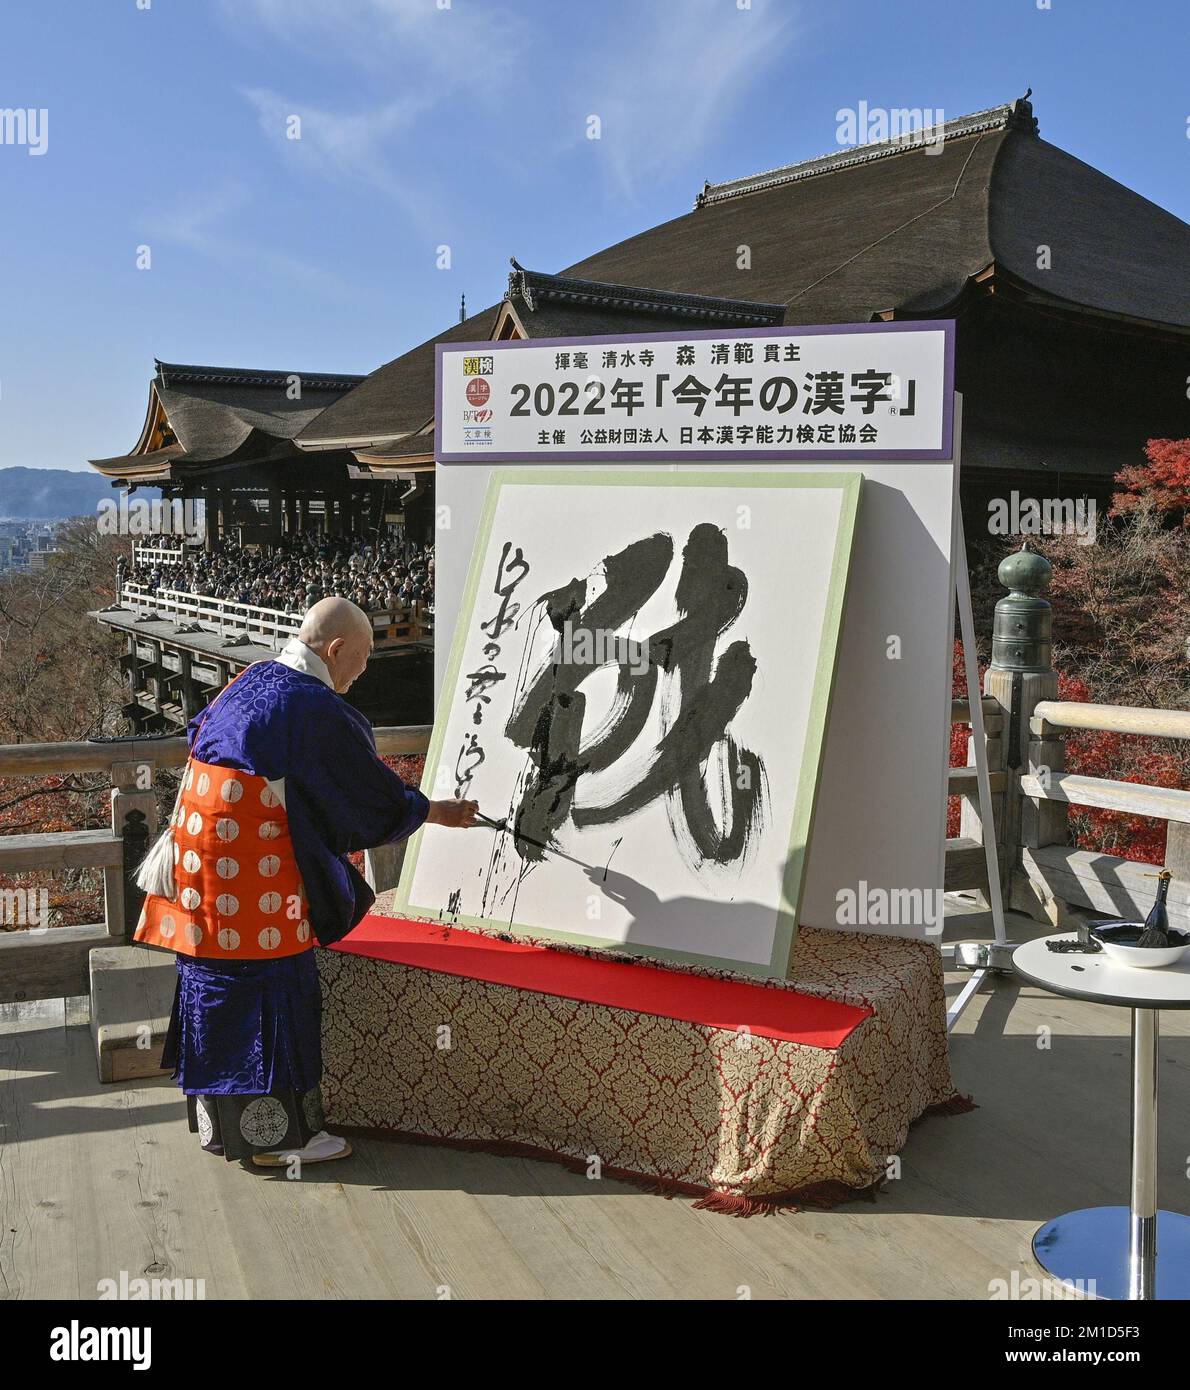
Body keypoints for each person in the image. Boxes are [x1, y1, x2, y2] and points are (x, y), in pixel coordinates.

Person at [134, 597, 477, 1165]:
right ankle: (277, 1142)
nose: (363, 671)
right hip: (252, 879)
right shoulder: (311, 705)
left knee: (214, 988)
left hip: (200, 864)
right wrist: (434, 811)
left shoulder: (252, 678)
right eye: (363, 657)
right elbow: (366, 794)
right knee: (270, 994)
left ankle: (219, 1129)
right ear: (336, 649)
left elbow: (205, 738)